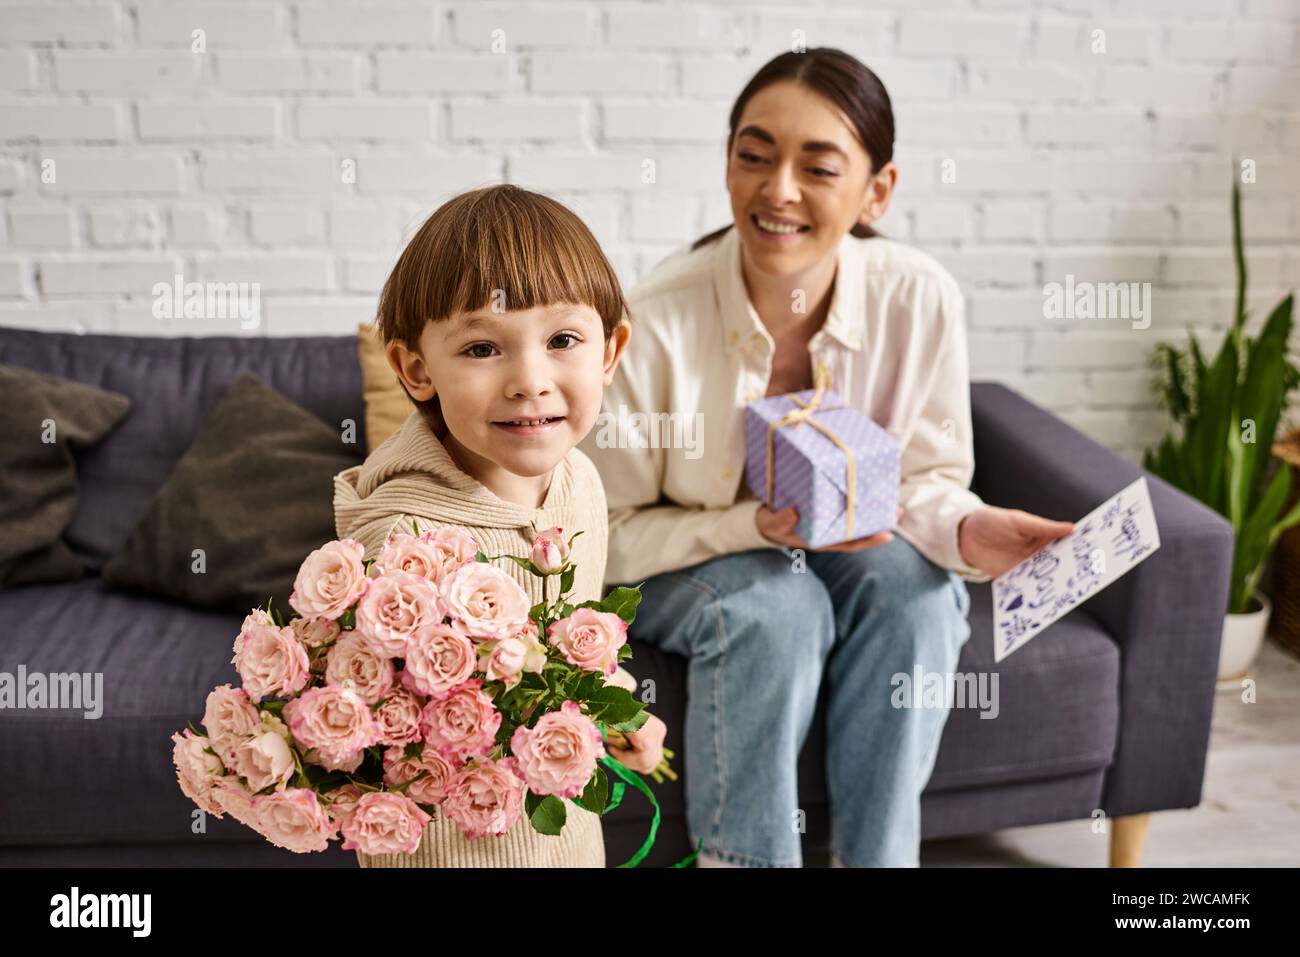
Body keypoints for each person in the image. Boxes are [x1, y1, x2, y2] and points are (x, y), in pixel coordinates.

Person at [578, 48, 1073, 867]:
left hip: (841, 549)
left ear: (877, 190)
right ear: (729, 163)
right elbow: (606, 537)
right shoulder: (651, 323)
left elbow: (922, 482)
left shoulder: (919, 298)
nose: (777, 190)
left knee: (919, 592)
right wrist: (756, 526)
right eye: (755, 154)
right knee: (778, 608)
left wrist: (968, 528)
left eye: (818, 167)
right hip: (682, 556)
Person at [334, 184, 667, 867]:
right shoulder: (400, 537)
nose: (530, 379)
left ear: (610, 351)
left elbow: (577, 653)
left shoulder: (582, 485)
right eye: (484, 349)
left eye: (563, 339)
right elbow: (377, 734)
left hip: (566, 845)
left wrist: (615, 714)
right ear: (415, 369)